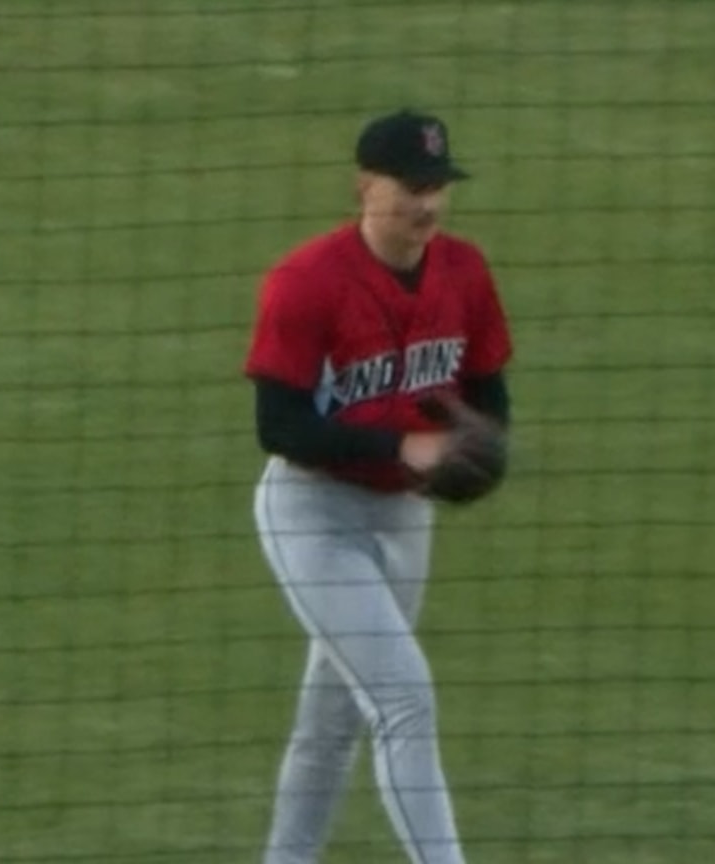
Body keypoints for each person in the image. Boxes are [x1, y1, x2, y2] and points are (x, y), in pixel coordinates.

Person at [242, 108, 514, 864]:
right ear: (366, 185)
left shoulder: (465, 273)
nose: (426, 204)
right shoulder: (306, 282)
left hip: (403, 519)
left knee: (329, 727)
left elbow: (490, 402)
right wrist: (407, 443)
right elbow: (280, 427)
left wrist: (473, 450)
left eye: (437, 186)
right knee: (402, 697)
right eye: (410, 186)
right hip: (312, 515)